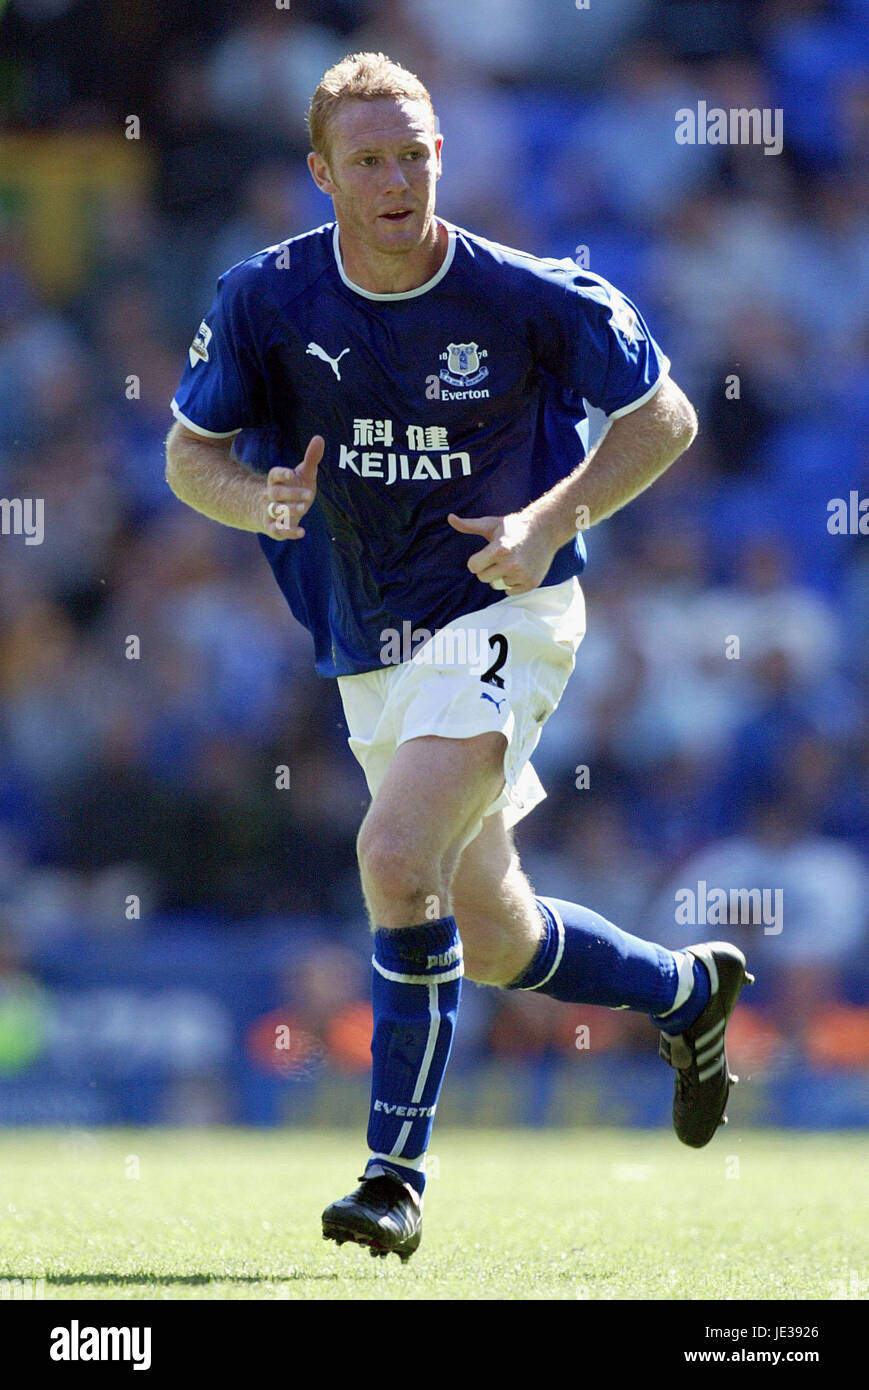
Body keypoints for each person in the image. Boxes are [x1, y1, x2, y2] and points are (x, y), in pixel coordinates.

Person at [165, 52, 753, 1263]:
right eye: (368, 159)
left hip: (506, 609)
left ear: (444, 154)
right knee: (491, 934)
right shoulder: (263, 299)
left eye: (415, 151)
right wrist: (259, 502)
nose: (397, 177)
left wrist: (553, 520)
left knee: (390, 854)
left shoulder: (526, 294)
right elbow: (189, 454)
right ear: (320, 173)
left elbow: (666, 415)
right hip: (365, 644)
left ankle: (393, 1177)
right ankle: (686, 995)